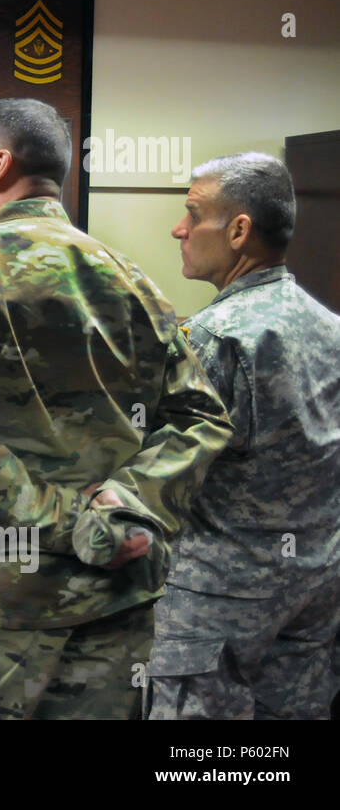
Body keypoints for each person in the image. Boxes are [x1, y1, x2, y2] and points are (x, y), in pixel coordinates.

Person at [0, 97, 233, 720]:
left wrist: (69, 521)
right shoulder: (131, 278)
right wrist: (119, 512)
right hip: (114, 605)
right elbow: (199, 419)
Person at [150, 152, 340, 720]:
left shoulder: (214, 336)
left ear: (238, 231)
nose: (178, 228)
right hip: (314, 588)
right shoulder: (330, 327)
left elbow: (161, 466)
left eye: (192, 213)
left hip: (218, 602)